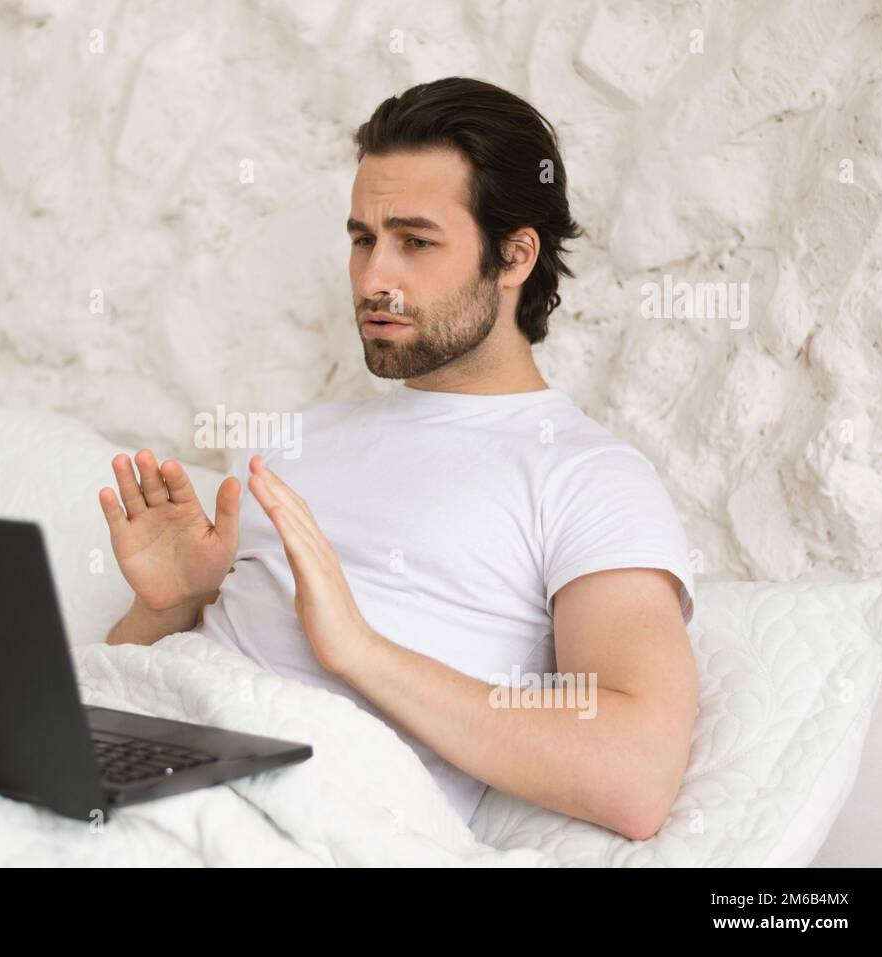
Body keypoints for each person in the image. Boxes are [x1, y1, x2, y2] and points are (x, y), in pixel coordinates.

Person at [99, 77, 697, 842]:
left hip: (271, 820)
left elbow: (636, 773)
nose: (374, 277)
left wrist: (362, 653)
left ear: (514, 257)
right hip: (131, 765)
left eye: (416, 241)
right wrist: (168, 605)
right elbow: (121, 699)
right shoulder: (290, 442)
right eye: (361, 238)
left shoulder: (586, 477)